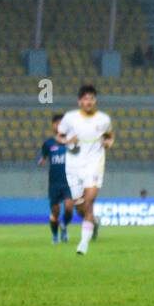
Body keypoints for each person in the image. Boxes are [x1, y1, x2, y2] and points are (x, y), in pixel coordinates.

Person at [57, 85, 115, 255]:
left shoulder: (103, 119)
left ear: (95, 100)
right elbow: (59, 136)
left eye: (91, 98)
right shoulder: (70, 118)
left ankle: (83, 244)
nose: (88, 102)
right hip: (73, 167)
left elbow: (110, 136)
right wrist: (67, 140)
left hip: (94, 164)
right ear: (79, 101)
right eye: (85, 99)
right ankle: (94, 223)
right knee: (80, 207)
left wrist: (108, 143)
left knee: (88, 202)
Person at [37, 113, 74, 243]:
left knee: (69, 207)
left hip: (69, 182)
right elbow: (41, 156)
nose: (59, 126)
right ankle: (55, 235)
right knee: (55, 212)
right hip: (54, 183)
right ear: (53, 126)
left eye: (61, 124)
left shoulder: (70, 142)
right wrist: (41, 160)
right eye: (56, 123)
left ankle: (64, 226)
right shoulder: (48, 143)